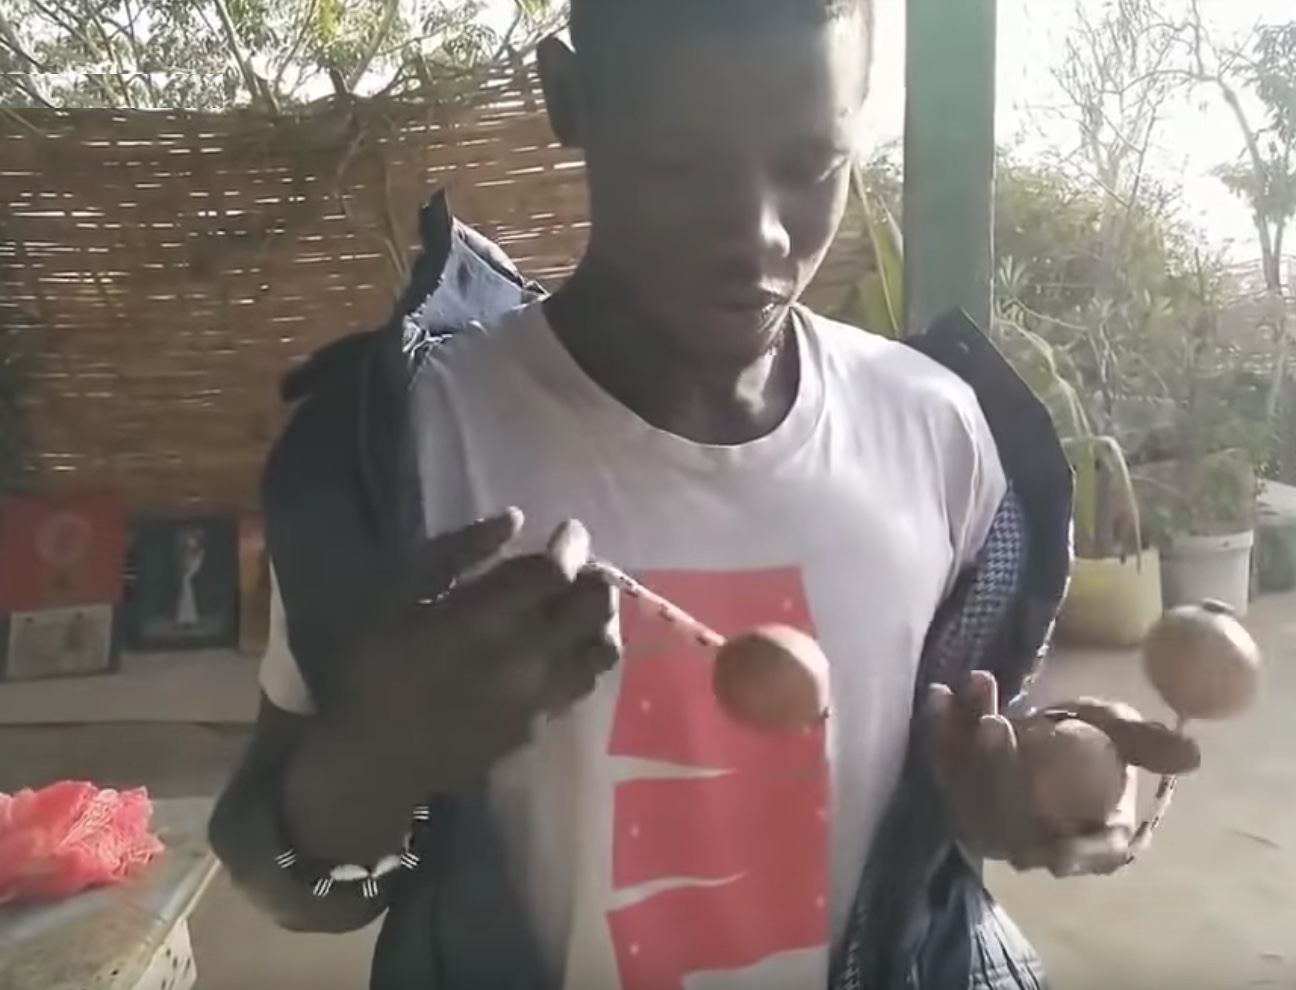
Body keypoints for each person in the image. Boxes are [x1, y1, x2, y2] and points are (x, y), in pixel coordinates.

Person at [208, 1, 1200, 988]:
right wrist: (382, 754)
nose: (757, 235)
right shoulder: (403, 450)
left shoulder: (936, 431)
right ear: (569, 98)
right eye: (679, 164)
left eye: (812, 167)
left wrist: (1010, 777)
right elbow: (276, 874)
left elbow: (935, 768)